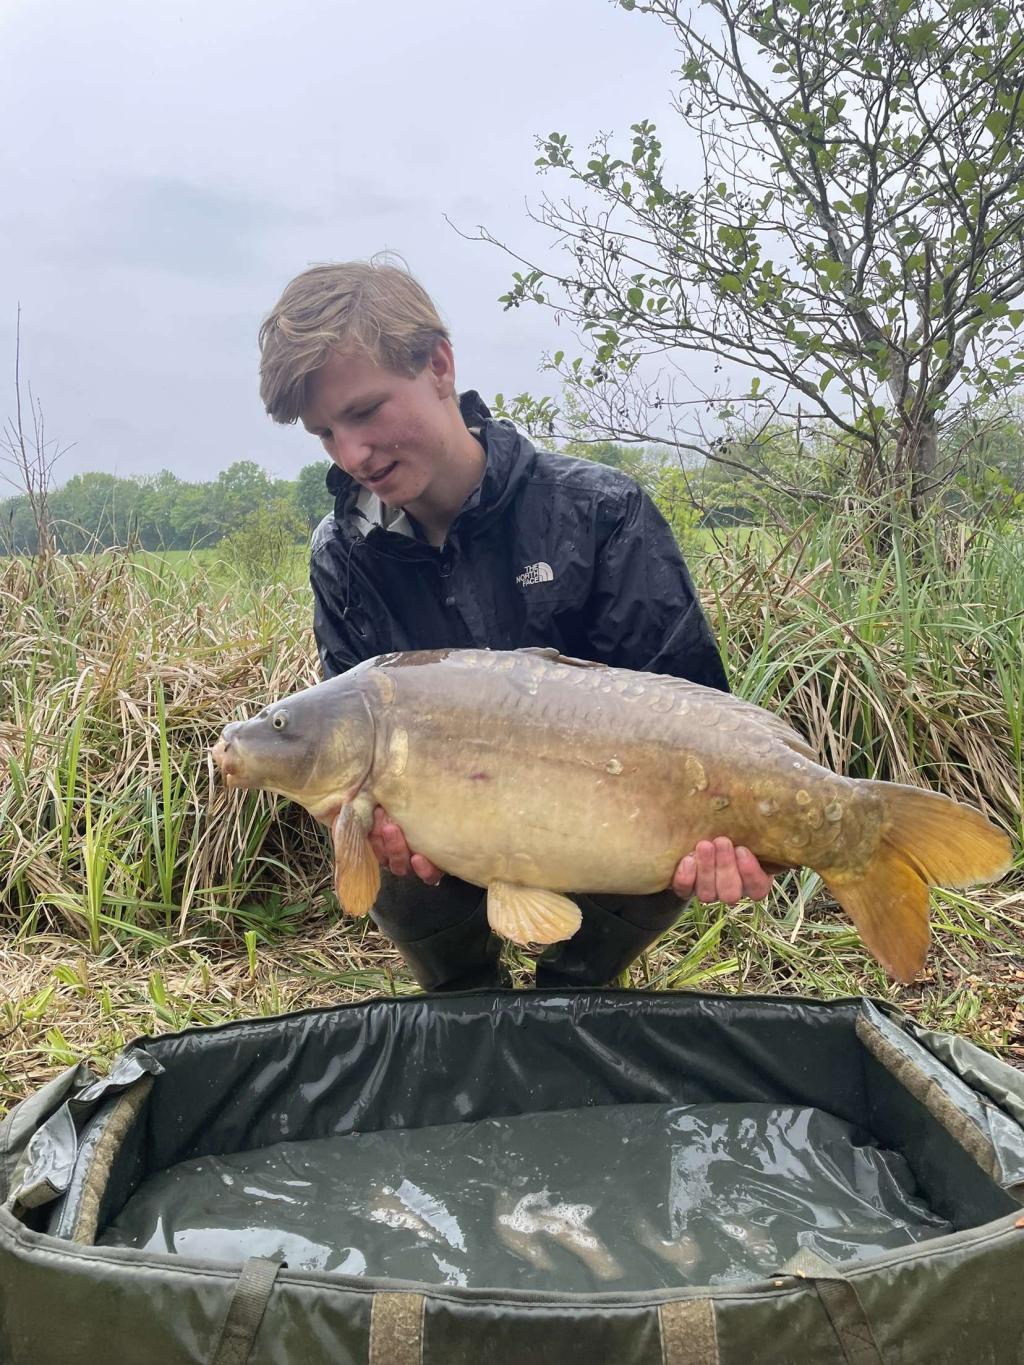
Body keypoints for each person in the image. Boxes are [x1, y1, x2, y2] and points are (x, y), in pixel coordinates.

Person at [257, 260, 775, 990]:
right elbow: (340, 745)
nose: (352, 454)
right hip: (443, 834)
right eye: (325, 434)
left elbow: (696, 710)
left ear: (439, 364)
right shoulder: (342, 555)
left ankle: (578, 990)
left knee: (670, 820)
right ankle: (466, 996)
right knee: (380, 827)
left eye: (367, 411)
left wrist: (733, 828)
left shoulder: (600, 512)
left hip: (605, 826)